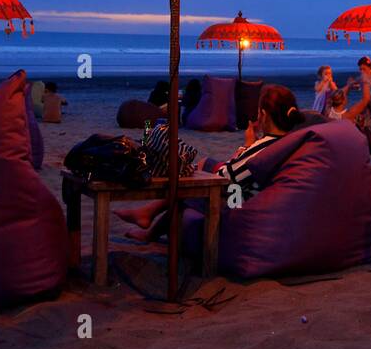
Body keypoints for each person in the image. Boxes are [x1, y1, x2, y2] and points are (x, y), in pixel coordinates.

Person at [115, 84, 309, 241]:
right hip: (256, 194)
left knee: (192, 187)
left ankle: (149, 220)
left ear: (263, 115)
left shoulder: (263, 149)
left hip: (239, 202)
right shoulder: (288, 141)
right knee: (202, 165)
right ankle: (149, 216)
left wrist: (246, 145)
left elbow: (224, 176)